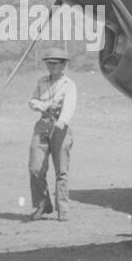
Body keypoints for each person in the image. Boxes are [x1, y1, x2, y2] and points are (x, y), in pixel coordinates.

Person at [27, 47, 77, 221]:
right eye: (49, 63)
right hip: (42, 125)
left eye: (56, 63)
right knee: (35, 169)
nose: (52, 66)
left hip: (60, 127)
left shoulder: (69, 85)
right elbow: (32, 101)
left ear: (63, 65)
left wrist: (60, 123)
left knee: (61, 171)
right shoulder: (42, 82)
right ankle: (43, 205)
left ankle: (62, 209)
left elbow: (69, 108)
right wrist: (42, 106)